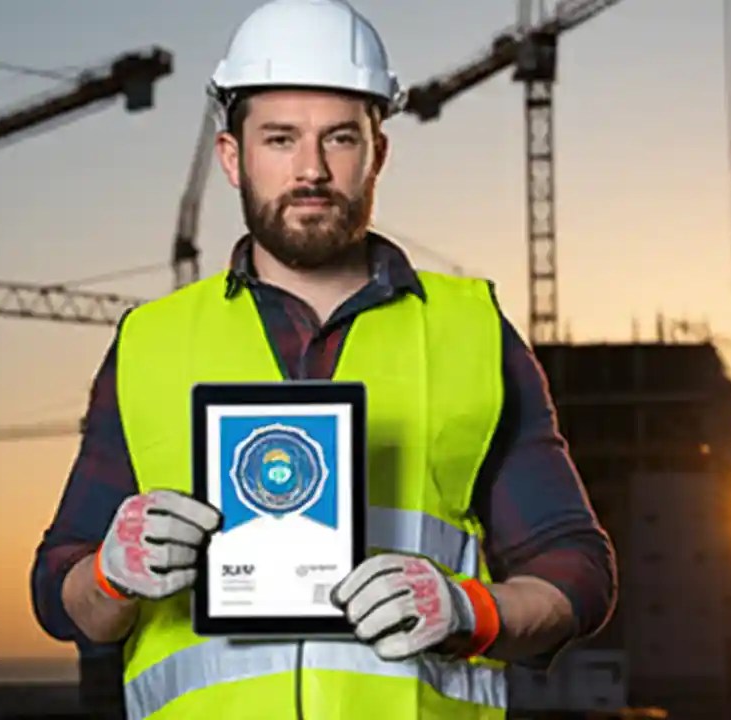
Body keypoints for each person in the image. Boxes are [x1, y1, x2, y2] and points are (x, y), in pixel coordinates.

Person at [30, 0, 617, 717]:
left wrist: (472, 612)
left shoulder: (469, 331)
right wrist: (110, 574)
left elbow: (577, 570)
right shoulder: (150, 343)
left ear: (378, 154)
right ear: (232, 157)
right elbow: (60, 591)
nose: (310, 169)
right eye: (280, 139)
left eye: (339, 138)